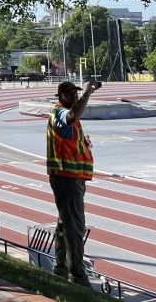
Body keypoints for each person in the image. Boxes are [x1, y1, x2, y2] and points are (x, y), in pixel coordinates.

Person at [46, 79, 99, 286]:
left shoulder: (67, 117)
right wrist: (88, 93)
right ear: (60, 96)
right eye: (70, 94)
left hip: (72, 176)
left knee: (64, 224)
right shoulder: (60, 113)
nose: (75, 96)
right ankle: (78, 277)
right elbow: (72, 115)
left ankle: (60, 269)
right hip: (66, 177)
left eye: (76, 93)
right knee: (75, 227)